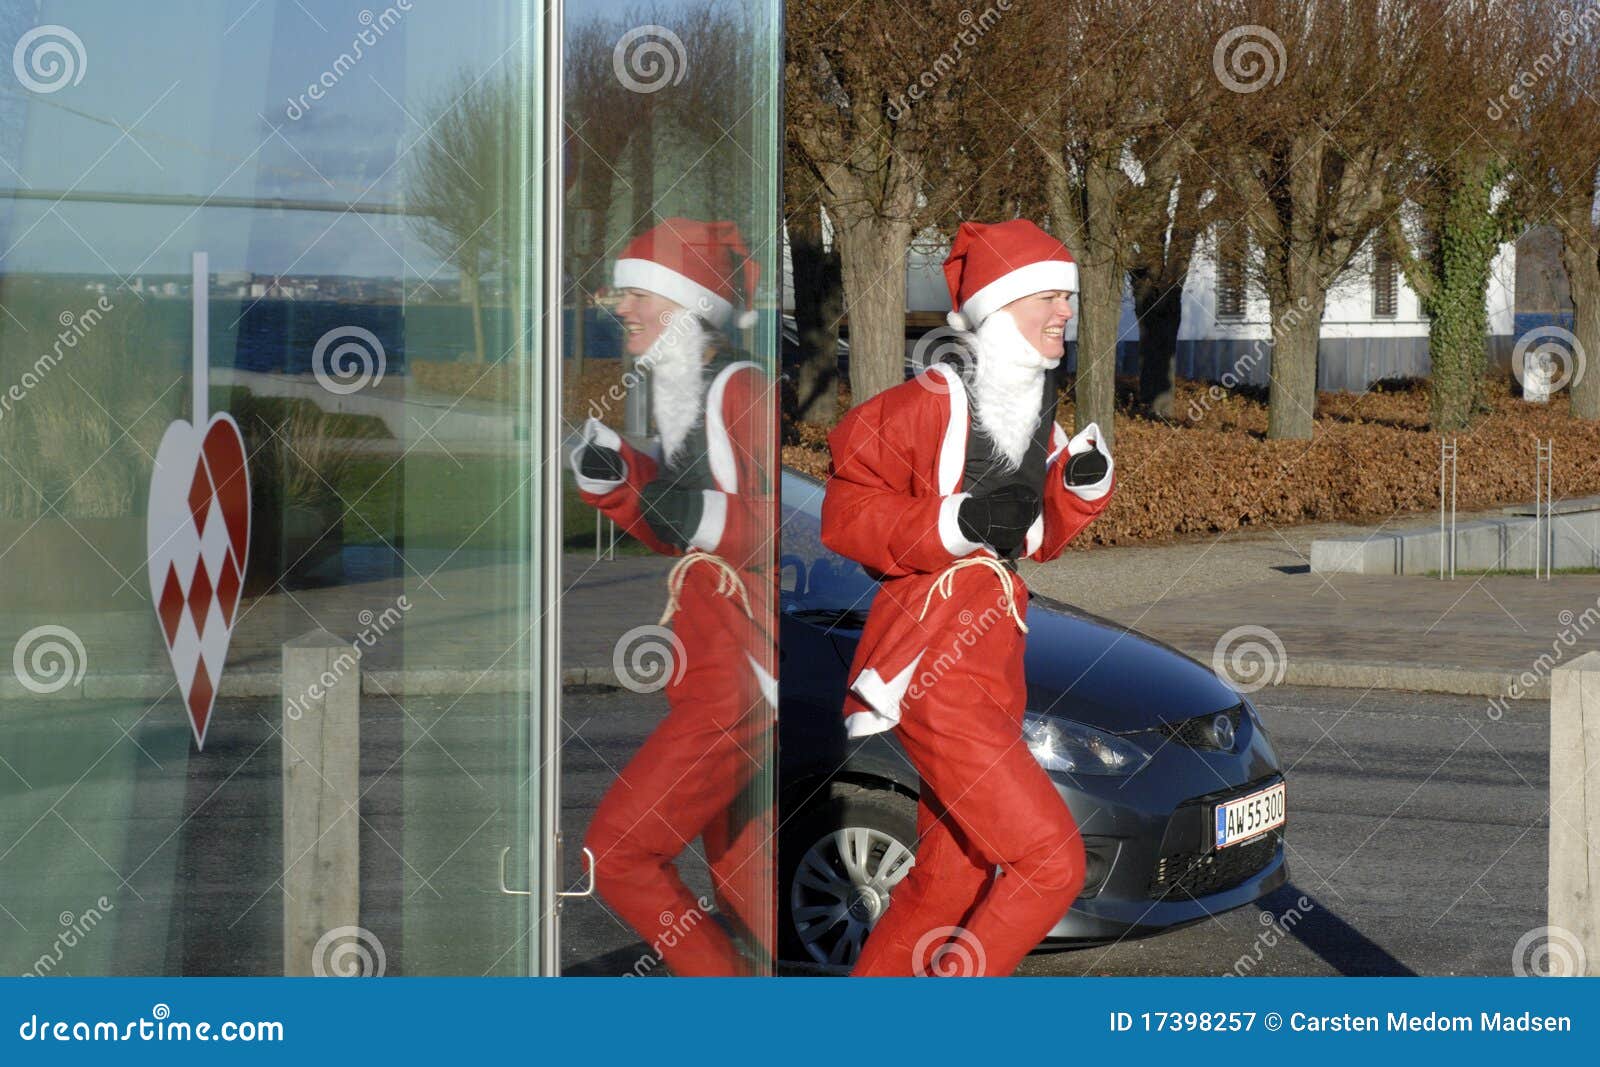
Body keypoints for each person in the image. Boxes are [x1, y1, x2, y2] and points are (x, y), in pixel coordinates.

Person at [821, 219, 1115, 977]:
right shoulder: (928, 402)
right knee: (1050, 862)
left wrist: (1077, 491)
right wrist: (953, 521)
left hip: (995, 662)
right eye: (1050, 296)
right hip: (935, 665)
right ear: (1000, 305)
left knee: (948, 877)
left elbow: (1032, 537)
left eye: (1067, 297)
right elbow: (846, 515)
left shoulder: (1033, 404)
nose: (1064, 312)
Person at [569, 217, 774, 976]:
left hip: (734, 680)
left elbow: (789, 524)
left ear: (686, 307)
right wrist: (619, 477)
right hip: (723, 671)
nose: (619, 306)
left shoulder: (742, 392)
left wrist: (684, 512)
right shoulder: (694, 394)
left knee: (619, 852)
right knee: (748, 883)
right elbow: (689, 530)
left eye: (637, 293)